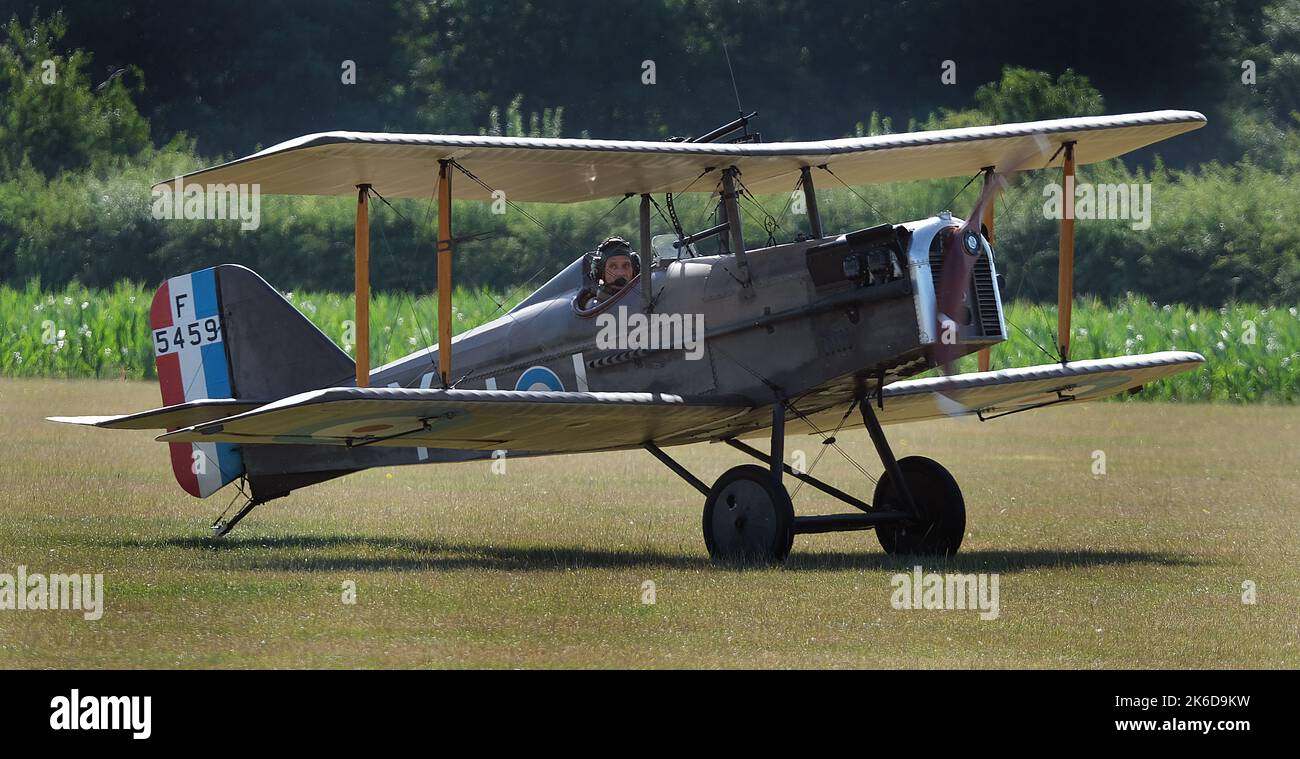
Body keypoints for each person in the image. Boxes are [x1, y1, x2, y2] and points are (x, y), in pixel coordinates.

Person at [586, 236, 639, 307]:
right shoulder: (594, 310)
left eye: (626, 265)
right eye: (613, 266)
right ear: (600, 272)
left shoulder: (647, 302)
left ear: (635, 269)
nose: (621, 273)